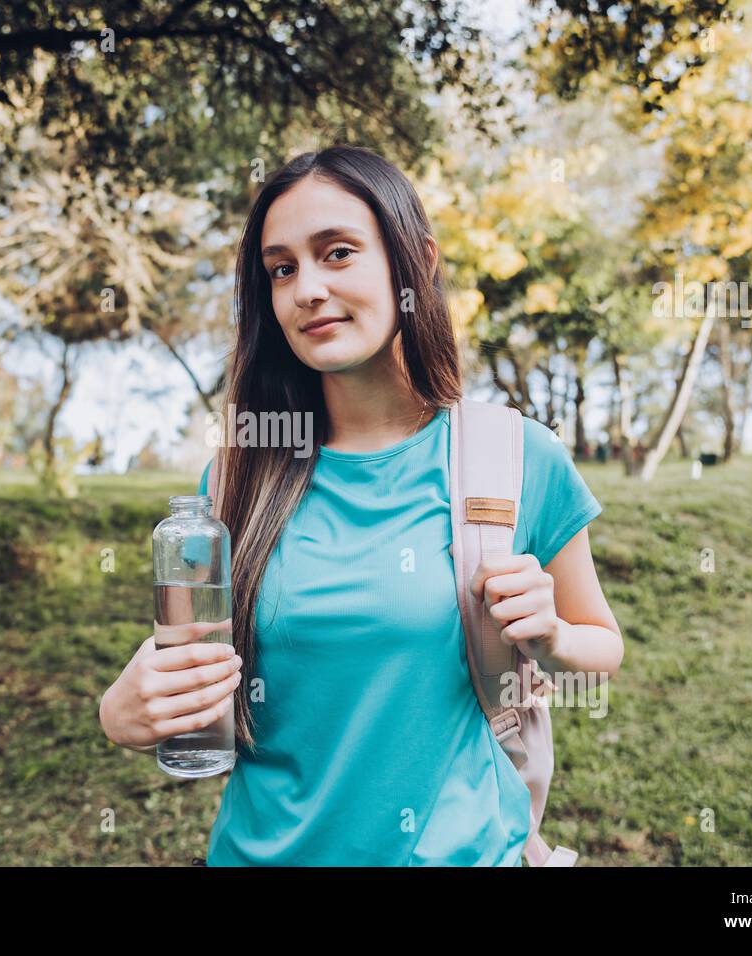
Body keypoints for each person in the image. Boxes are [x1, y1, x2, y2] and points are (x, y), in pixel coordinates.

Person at [99, 145, 624, 866]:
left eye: (337, 252)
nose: (306, 289)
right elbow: (197, 692)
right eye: (282, 269)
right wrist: (126, 712)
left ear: (417, 263)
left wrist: (555, 636)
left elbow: (603, 646)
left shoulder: (518, 457)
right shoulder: (231, 482)